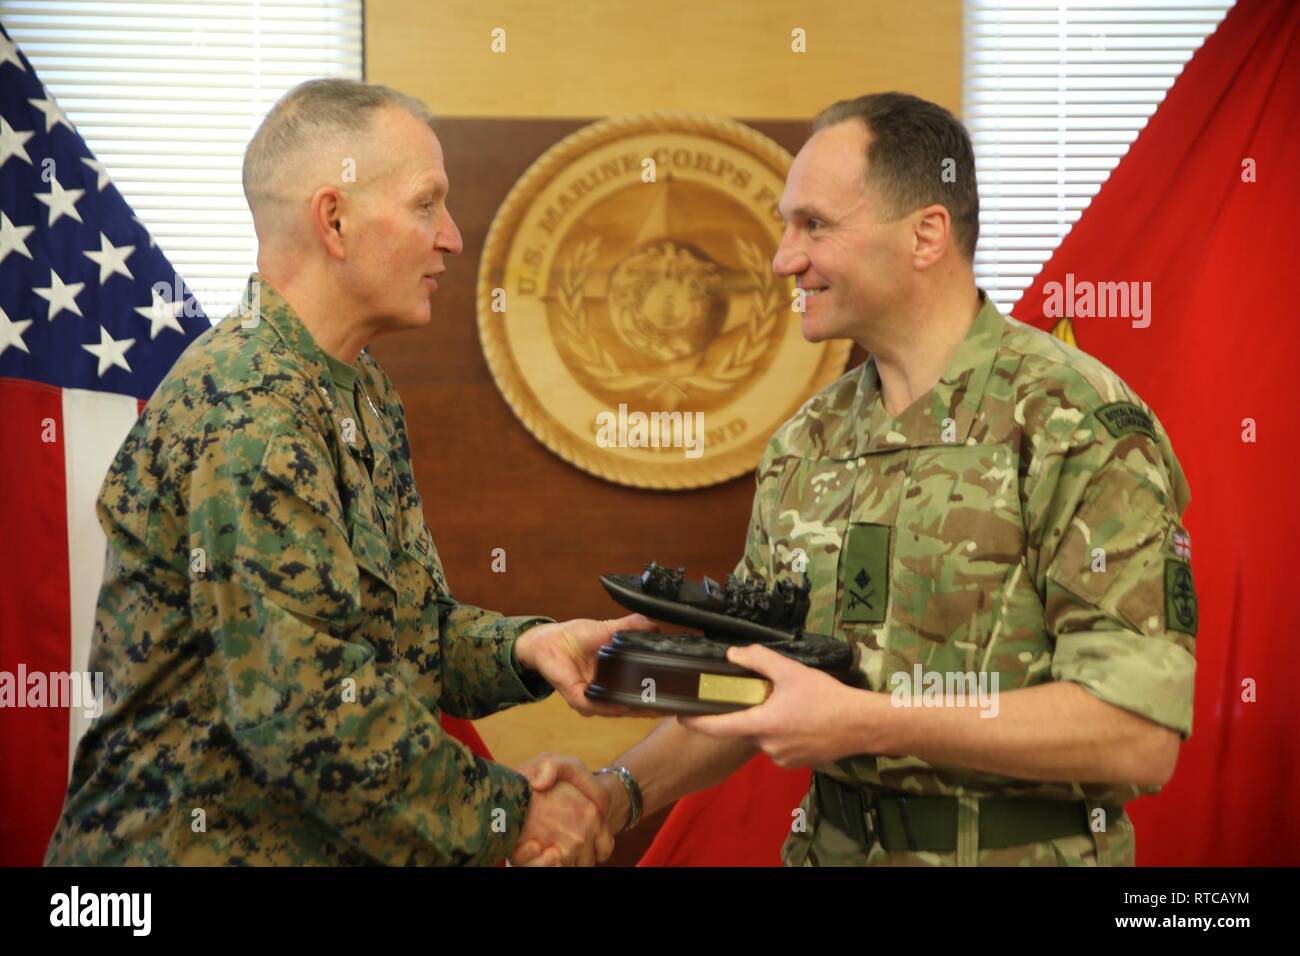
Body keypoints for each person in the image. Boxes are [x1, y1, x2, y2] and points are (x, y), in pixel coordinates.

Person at [556, 92, 1197, 867]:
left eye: (815, 226)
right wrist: (613, 793)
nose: (784, 257)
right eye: (787, 224)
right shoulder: (806, 443)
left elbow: (1135, 733)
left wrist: (869, 720)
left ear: (927, 234)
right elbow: (757, 686)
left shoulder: (1073, 422)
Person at [44, 78, 644, 867]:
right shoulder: (250, 406)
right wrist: (513, 815)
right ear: (334, 219)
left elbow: (402, 632)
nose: (453, 238)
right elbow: (302, 710)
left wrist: (527, 648)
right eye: (427, 204)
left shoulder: (355, 388)